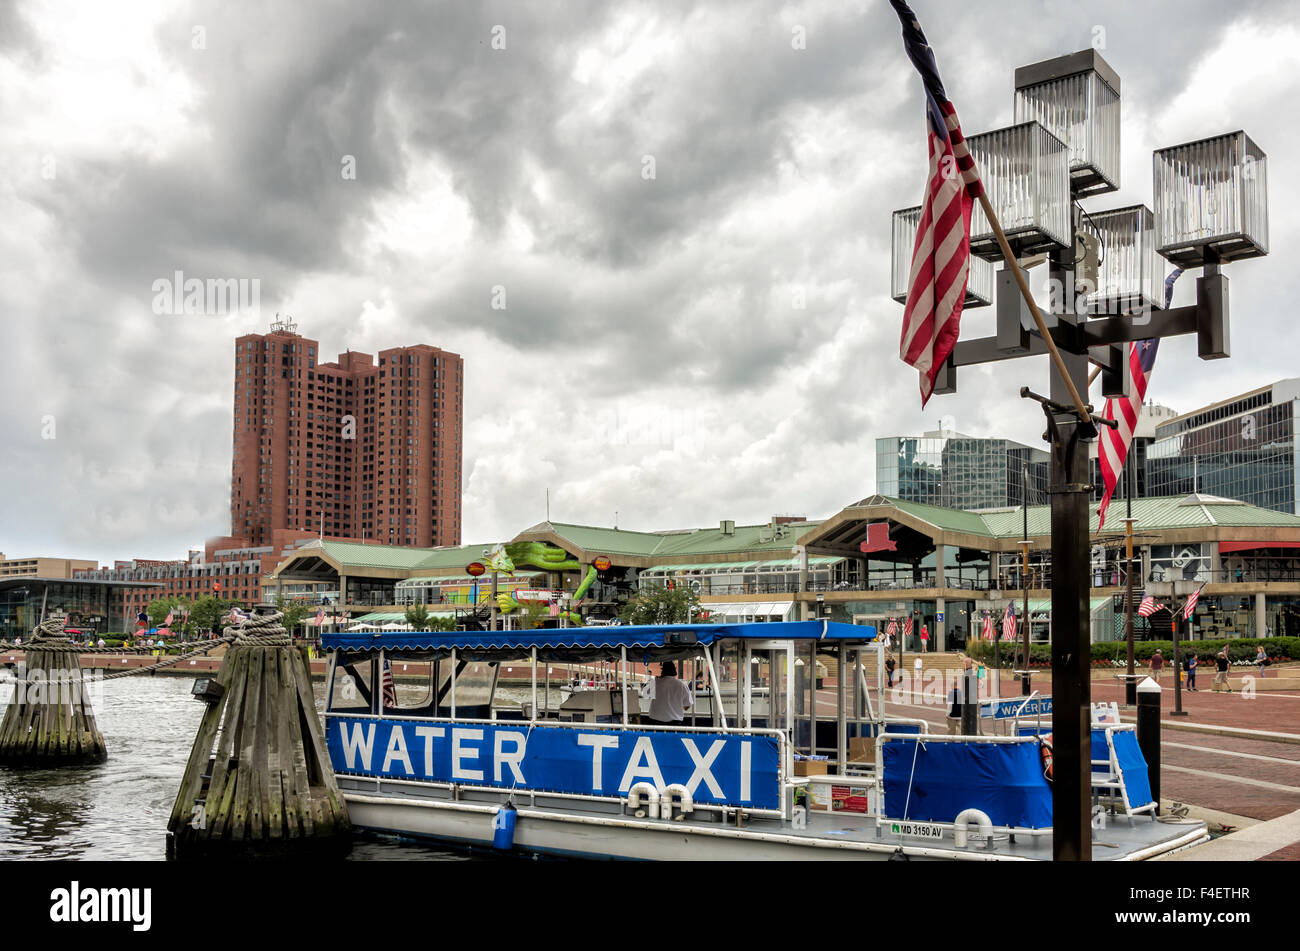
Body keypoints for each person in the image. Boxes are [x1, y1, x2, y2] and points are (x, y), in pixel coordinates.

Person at [639, 660, 694, 725]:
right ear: (674, 670)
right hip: (675, 722)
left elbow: (645, 694)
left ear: (662, 670)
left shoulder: (655, 682)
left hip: (655, 721)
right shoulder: (682, 685)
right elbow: (687, 706)